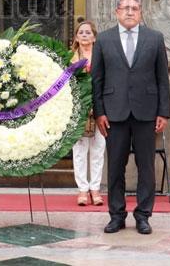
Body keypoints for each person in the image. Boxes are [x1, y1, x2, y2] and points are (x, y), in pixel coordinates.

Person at [91, 0, 170, 235]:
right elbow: (97, 79)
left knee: (146, 166)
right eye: (125, 8)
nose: (129, 12)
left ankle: (143, 215)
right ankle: (116, 215)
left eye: (134, 8)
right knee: (115, 167)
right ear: (116, 12)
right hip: (114, 114)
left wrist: (164, 112)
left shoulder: (154, 38)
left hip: (146, 112)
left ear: (141, 12)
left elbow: (162, 79)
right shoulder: (103, 40)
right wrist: (99, 113)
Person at [70, 20, 105, 207]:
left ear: (94, 36)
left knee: (98, 149)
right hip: (79, 109)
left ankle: (96, 189)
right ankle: (82, 190)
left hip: (100, 109)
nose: (84, 35)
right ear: (76, 37)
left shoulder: (102, 56)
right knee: (80, 150)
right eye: (81, 32)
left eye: (88, 32)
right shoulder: (70, 58)